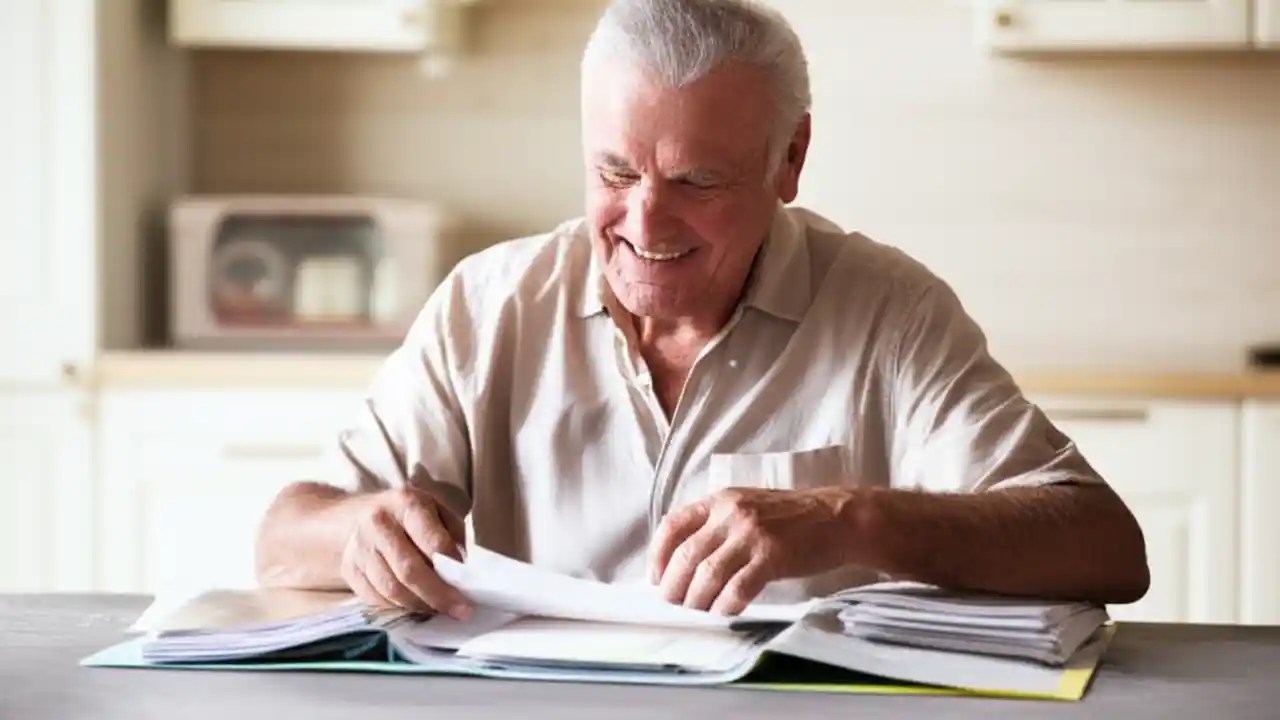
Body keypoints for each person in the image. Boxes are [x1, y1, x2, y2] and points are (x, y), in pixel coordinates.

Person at [255, 0, 1149, 621]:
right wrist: (360, 535)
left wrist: (848, 520)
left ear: (790, 159)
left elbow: (1104, 545)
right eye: (614, 172)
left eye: (697, 181)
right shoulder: (488, 306)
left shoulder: (889, 312)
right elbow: (284, 539)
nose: (645, 224)